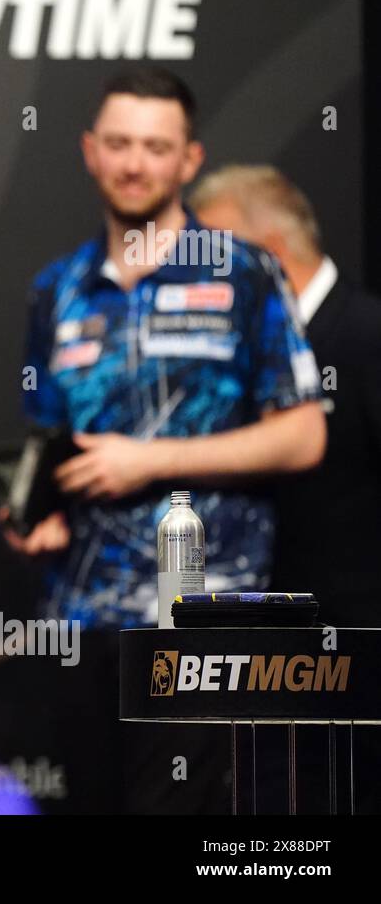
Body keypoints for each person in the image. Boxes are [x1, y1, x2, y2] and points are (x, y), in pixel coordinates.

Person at [2, 68, 326, 813]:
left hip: (203, 617)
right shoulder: (58, 287)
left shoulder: (245, 272)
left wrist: (151, 460)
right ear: (90, 151)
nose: (133, 162)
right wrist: (35, 512)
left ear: (189, 160)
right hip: (80, 618)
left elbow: (304, 435)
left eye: (156, 146)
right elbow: (47, 440)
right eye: (118, 143)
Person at [192, 165, 381, 813]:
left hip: (356, 655)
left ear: (268, 254)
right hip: (261, 653)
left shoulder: (365, 335)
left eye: (209, 253)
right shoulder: (239, 359)